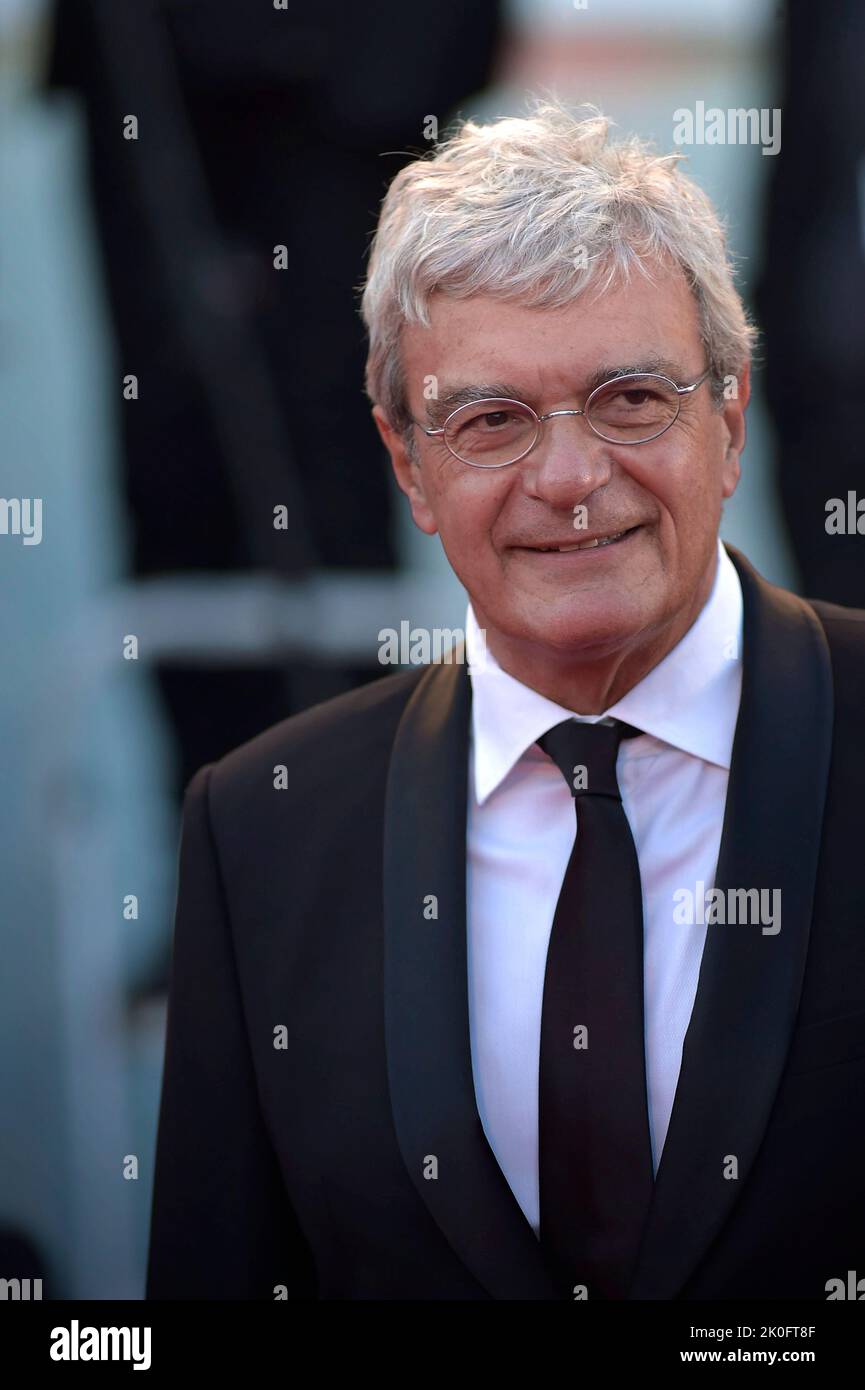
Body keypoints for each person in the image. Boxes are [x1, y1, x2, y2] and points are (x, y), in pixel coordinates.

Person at [146, 102, 865, 1301]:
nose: (570, 479)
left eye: (631, 399)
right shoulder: (263, 830)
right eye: (491, 421)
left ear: (730, 420)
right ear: (408, 465)